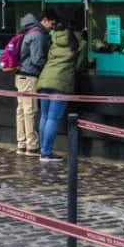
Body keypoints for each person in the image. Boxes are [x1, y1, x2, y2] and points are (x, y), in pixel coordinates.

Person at [36, 20, 87, 162]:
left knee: (44, 116)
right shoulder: (80, 43)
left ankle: (43, 151)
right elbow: (79, 66)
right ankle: (46, 153)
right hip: (61, 82)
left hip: (45, 79)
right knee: (52, 118)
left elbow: (49, 59)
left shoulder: (55, 41)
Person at [15, 9, 58, 156]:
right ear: (45, 20)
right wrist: (50, 65)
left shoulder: (28, 31)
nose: (52, 28)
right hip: (30, 77)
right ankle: (32, 146)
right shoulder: (38, 35)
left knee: (21, 111)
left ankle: (22, 143)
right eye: (52, 24)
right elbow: (37, 60)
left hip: (21, 76)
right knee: (30, 111)